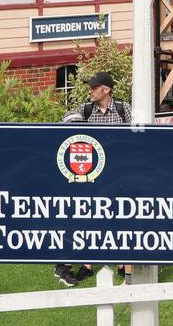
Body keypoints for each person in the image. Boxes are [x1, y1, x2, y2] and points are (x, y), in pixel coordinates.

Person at [55, 71, 132, 288]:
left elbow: (137, 137)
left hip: (118, 172)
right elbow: (67, 123)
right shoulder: (85, 110)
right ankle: (86, 264)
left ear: (105, 90)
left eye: (93, 87)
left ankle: (122, 262)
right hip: (92, 175)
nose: (89, 90)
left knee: (120, 216)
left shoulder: (123, 109)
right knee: (89, 216)